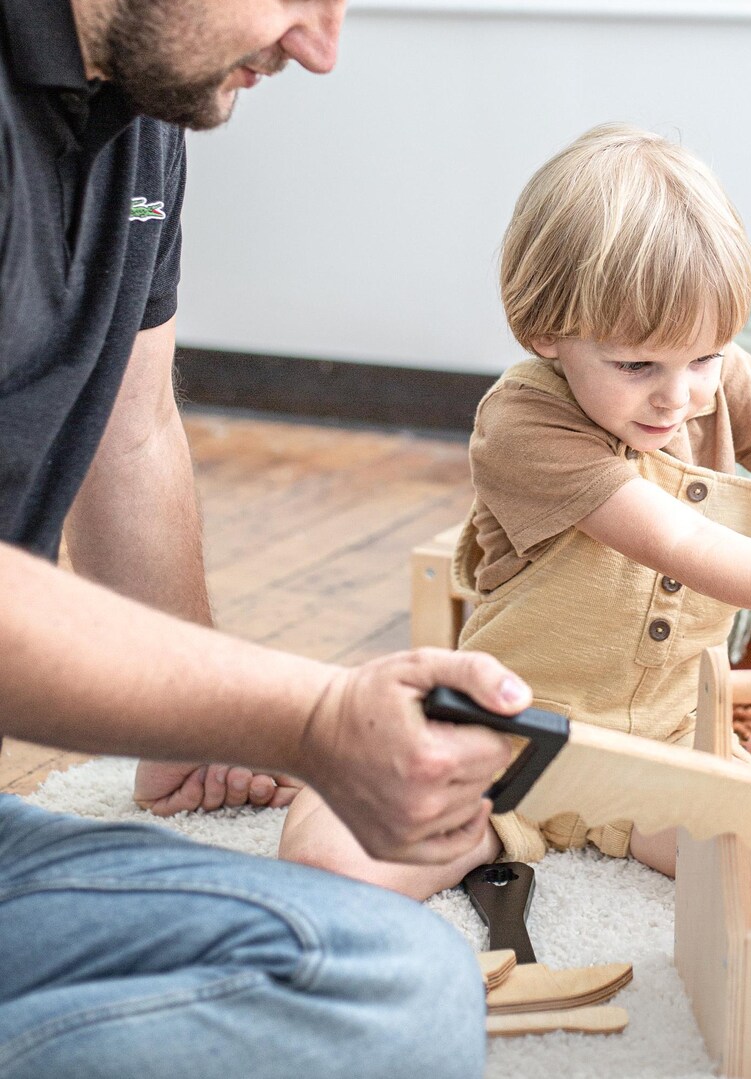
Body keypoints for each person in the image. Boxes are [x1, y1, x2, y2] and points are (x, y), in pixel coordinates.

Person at [0, 1, 523, 1076]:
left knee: (394, 978)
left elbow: (131, 429)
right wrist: (309, 715)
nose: (320, 48)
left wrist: (194, 727)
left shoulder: (137, 112)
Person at [279, 123, 751, 896]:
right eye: (637, 365)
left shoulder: (715, 375)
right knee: (325, 861)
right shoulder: (521, 424)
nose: (680, 394)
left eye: (705, 356)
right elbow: (685, 544)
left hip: (665, 749)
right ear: (547, 332)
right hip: (512, 743)